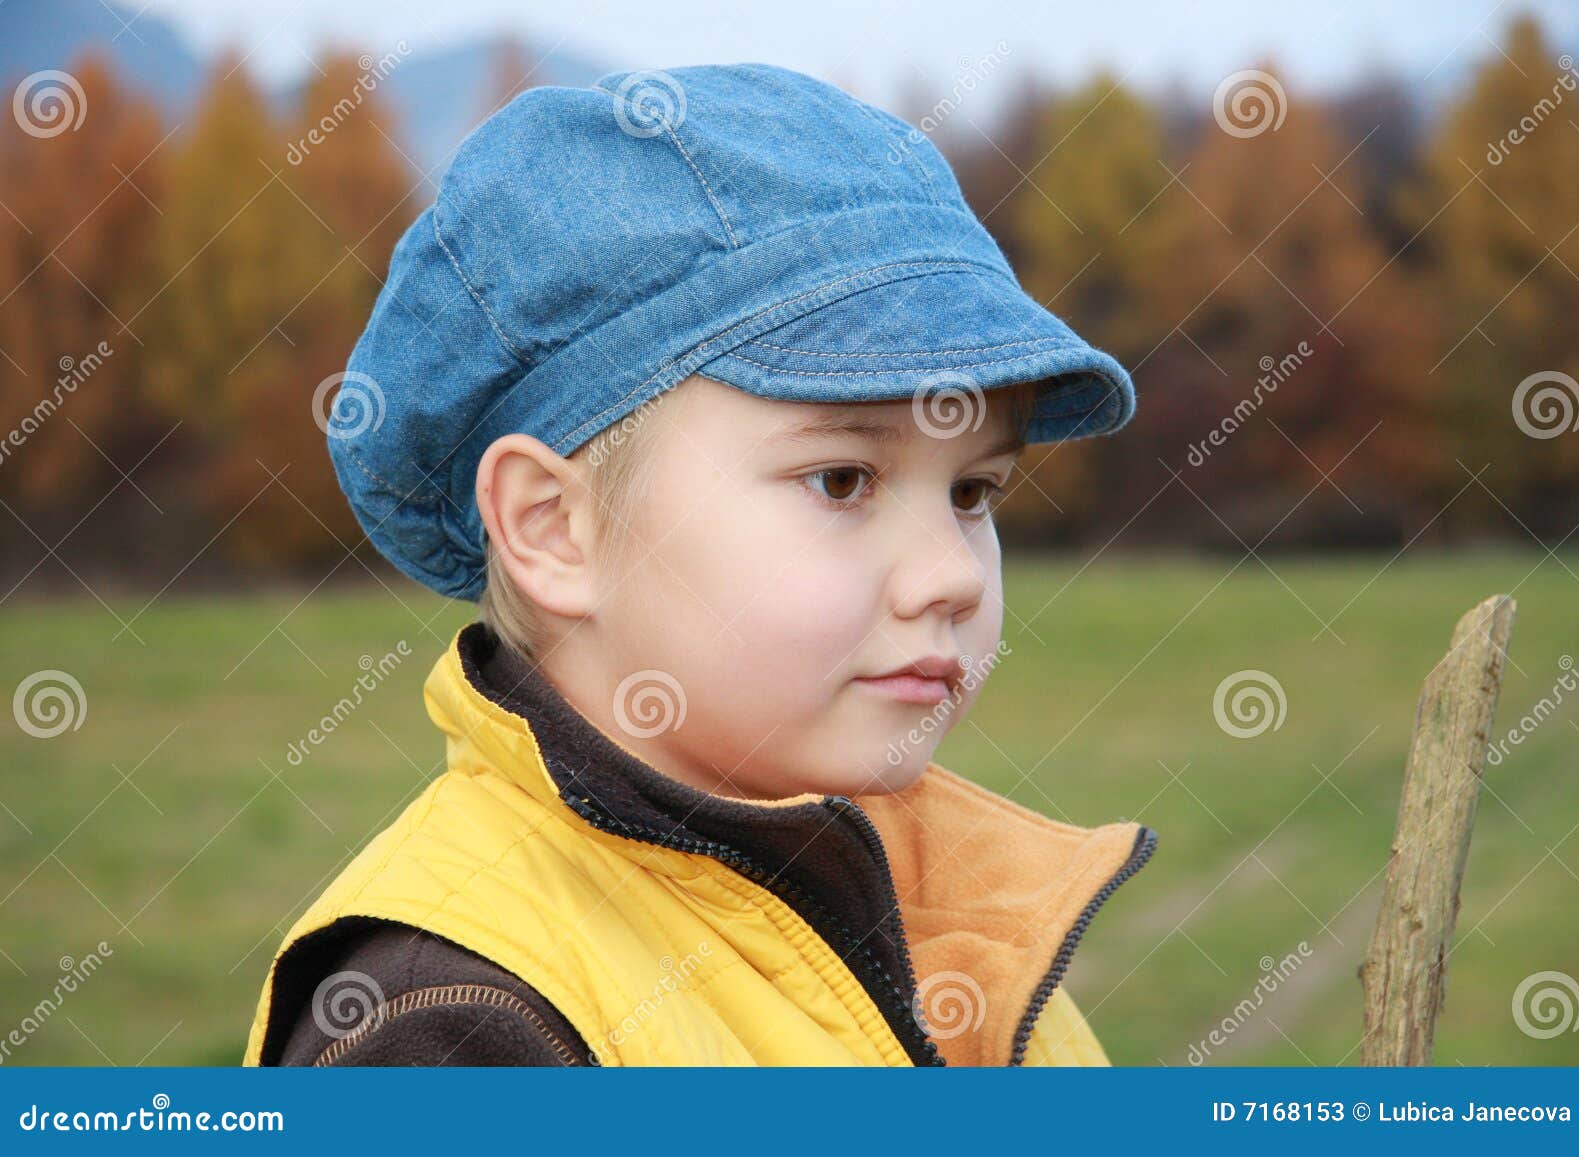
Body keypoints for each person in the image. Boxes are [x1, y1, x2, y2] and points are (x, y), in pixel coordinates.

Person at [242, 62, 1156, 1067]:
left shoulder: (960, 916)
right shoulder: (456, 1023)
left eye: (973, 491)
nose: (954, 575)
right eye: (843, 479)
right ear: (553, 528)